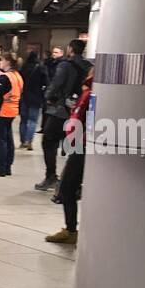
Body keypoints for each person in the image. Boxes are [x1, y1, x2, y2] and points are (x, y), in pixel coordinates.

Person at [36, 39, 90, 192]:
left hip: (60, 111)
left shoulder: (65, 65)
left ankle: (51, 176)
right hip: (80, 112)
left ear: (70, 49)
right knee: (75, 146)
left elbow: (56, 84)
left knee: (49, 141)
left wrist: (48, 97)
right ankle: (75, 181)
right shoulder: (88, 67)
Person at [47, 66, 93, 245]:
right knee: (68, 188)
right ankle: (71, 228)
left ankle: (72, 230)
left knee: (67, 188)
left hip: (83, 148)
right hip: (80, 146)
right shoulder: (88, 92)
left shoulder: (90, 95)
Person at [18, 47, 47, 150]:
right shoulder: (41, 68)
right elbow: (46, 83)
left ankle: (22, 141)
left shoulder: (24, 67)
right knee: (33, 121)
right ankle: (29, 141)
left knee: (23, 120)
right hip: (36, 97)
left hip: (24, 96)